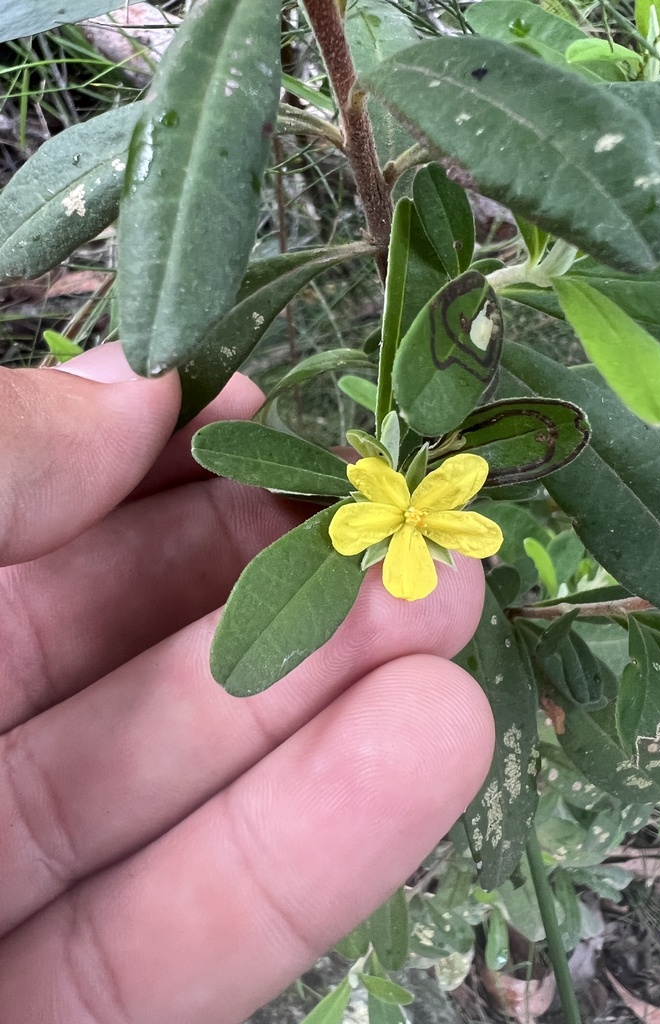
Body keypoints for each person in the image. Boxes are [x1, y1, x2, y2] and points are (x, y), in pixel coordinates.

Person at [0, 343, 494, 1023]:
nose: (418, 516)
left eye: (422, 515)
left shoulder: (429, 521)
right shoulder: (381, 513)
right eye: (416, 510)